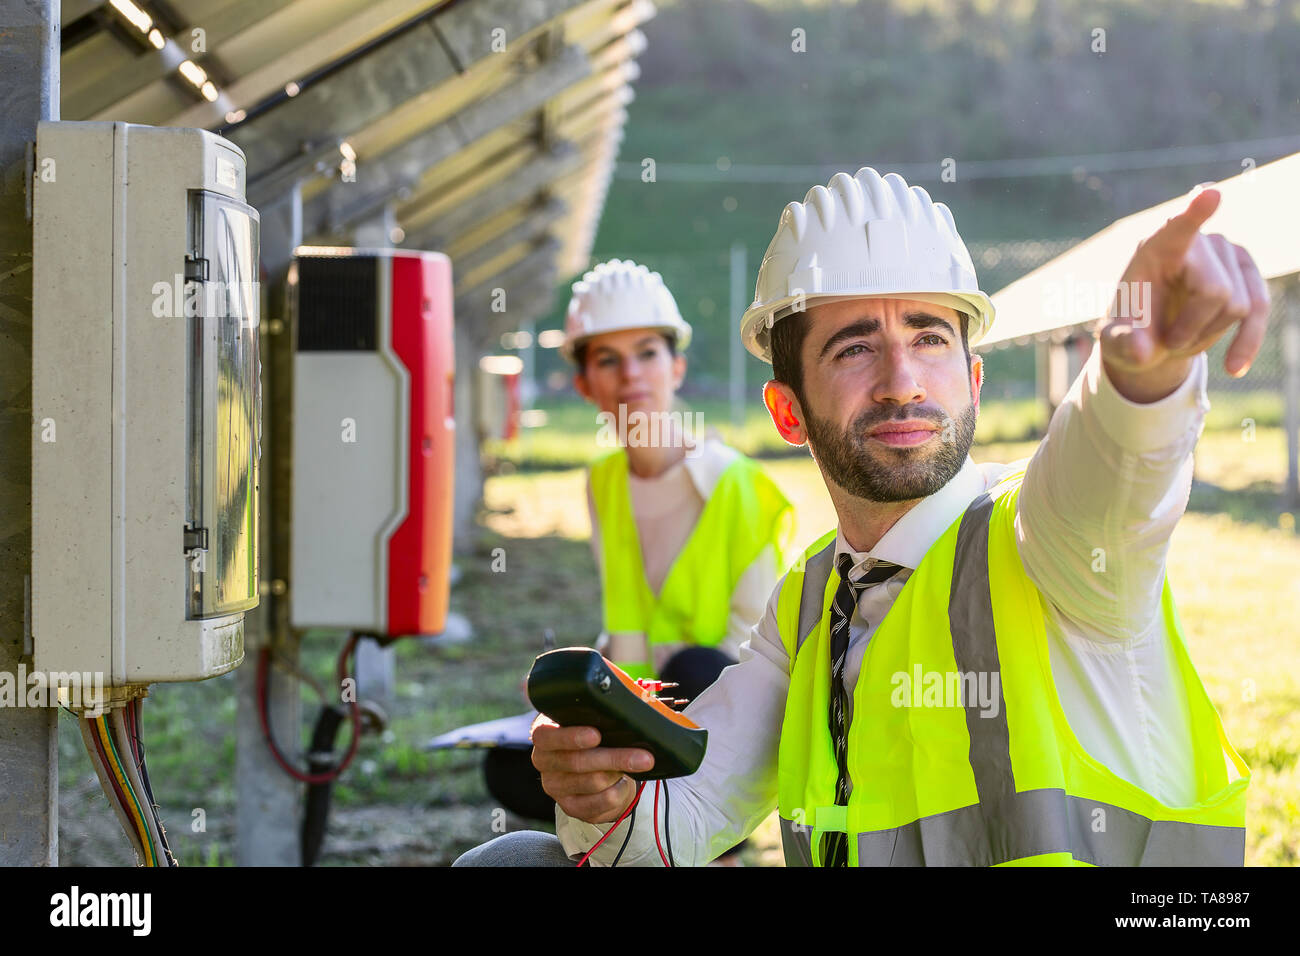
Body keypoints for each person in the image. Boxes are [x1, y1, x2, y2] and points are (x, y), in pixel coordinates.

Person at [458, 168, 1263, 868]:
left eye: (929, 338)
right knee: (519, 860)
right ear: (787, 410)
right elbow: (682, 820)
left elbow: (1114, 483)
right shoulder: (810, 602)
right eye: (853, 348)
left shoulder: (1044, 546)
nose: (902, 381)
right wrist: (604, 798)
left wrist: (1138, 374)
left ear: (975, 380)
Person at [451, 258, 792, 843]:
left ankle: (701, 829)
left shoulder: (743, 489)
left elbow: (759, 663)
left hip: (713, 717)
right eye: (607, 359)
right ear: (584, 384)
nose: (630, 374)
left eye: (647, 353)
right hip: (637, 712)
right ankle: (641, 809)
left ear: (676, 366)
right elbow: (624, 621)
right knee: (509, 768)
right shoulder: (604, 480)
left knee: (696, 668)